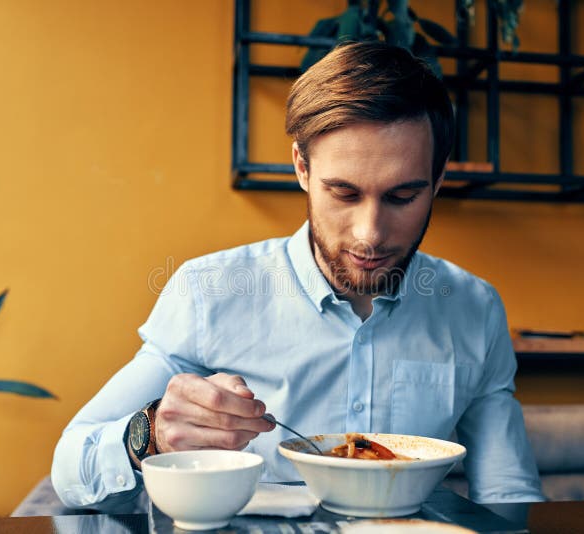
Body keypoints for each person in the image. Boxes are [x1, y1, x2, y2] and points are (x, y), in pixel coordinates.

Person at [51, 41, 544, 512]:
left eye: (402, 197)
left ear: (437, 180)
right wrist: (150, 434)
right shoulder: (207, 294)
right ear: (302, 168)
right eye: (344, 194)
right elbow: (71, 468)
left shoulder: (474, 309)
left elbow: (508, 493)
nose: (369, 234)